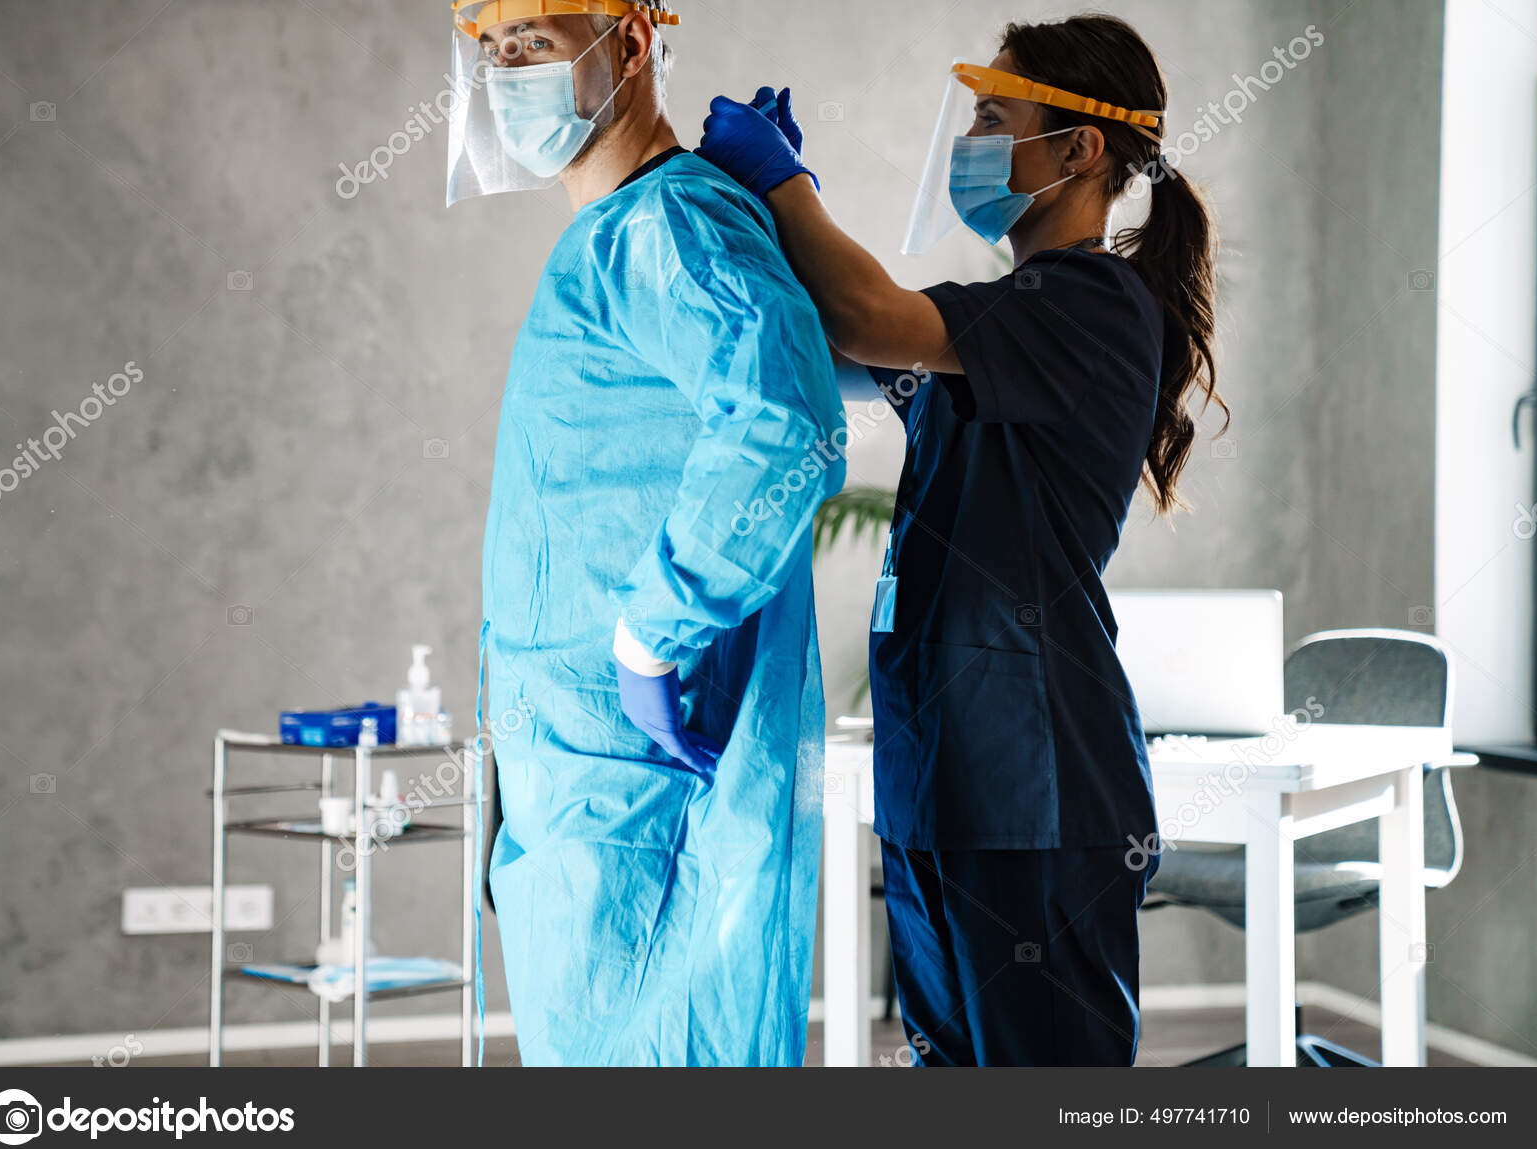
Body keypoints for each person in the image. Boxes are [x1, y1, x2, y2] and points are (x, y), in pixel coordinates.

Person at [698, 13, 1225, 1067]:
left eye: (995, 116)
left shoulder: (1093, 303)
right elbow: (826, 341)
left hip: (1035, 782)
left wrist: (783, 185)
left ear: (1078, 148)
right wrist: (746, 221)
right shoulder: (994, 324)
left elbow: (865, 317)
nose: (969, 142)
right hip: (941, 773)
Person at [446, 1, 845, 1065]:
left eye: (530, 42)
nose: (505, 73)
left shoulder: (663, 226)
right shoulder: (616, 236)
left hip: (644, 765)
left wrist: (647, 639)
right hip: (586, 764)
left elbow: (784, 424)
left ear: (628, 43)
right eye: (491, 53)